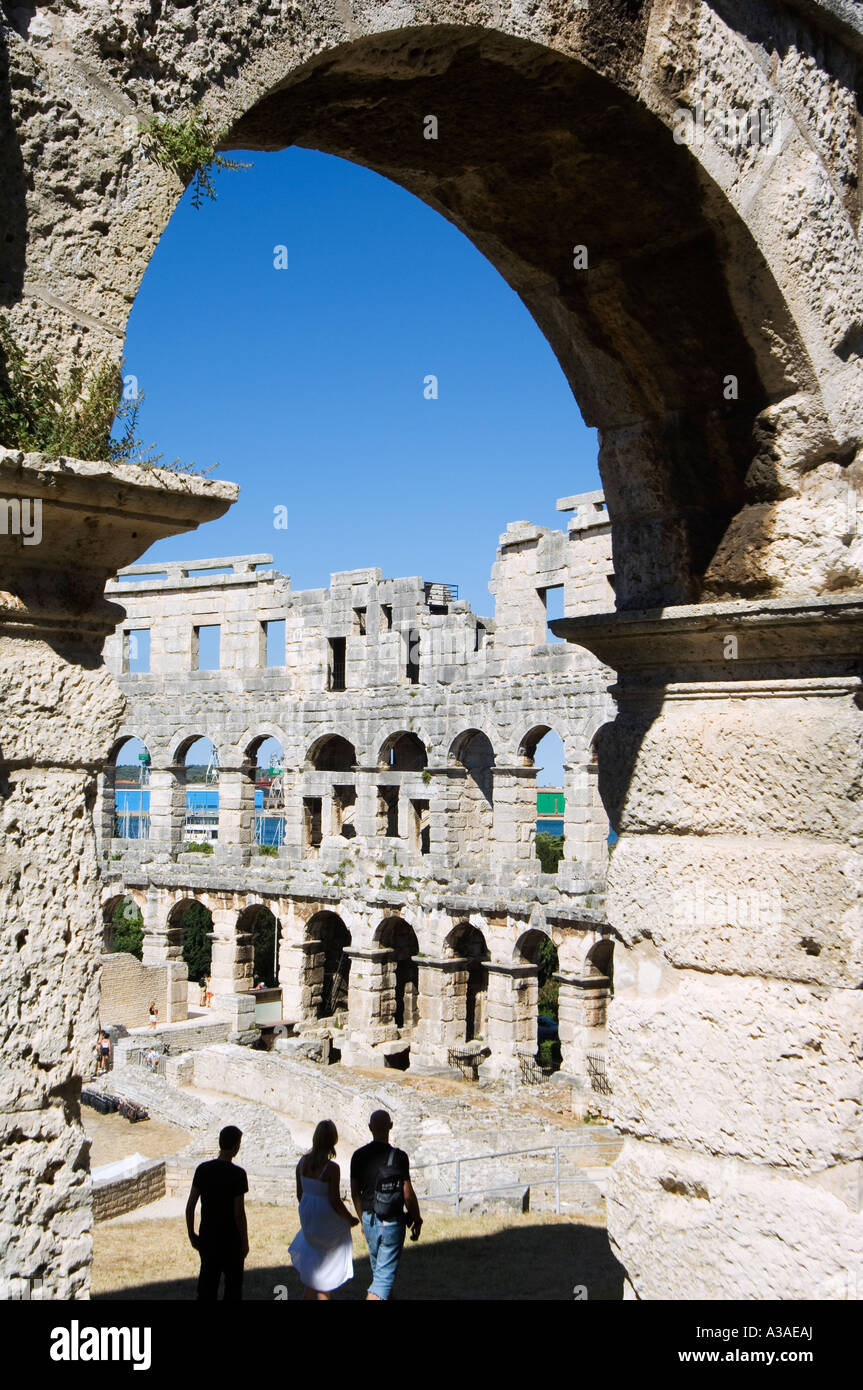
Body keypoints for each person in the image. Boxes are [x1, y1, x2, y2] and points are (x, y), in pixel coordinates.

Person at [350, 1110, 422, 1301]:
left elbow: (355, 1193)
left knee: (380, 1275)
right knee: (383, 1279)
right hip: (392, 1223)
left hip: (369, 1219)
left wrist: (363, 1220)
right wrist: (417, 1219)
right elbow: (408, 1194)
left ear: (370, 1128)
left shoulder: (358, 1156)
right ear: (390, 1126)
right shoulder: (399, 1157)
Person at [289, 1119, 357, 1300]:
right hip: (325, 1217)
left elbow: (299, 1193)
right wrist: (350, 1219)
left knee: (314, 1259)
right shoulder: (331, 1168)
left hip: (308, 1215)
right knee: (327, 1265)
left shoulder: (302, 1163)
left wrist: (308, 1208)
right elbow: (335, 1200)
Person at [185, 1125, 249, 1301]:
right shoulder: (238, 1174)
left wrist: (192, 1234)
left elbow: (190, 1206)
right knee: (233, 1291)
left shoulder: (202, 1170)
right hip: (231, 1240)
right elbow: (239, 1213)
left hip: (208, 1237)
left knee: (206, 1289)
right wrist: (245, 1241)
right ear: (236, 1147)